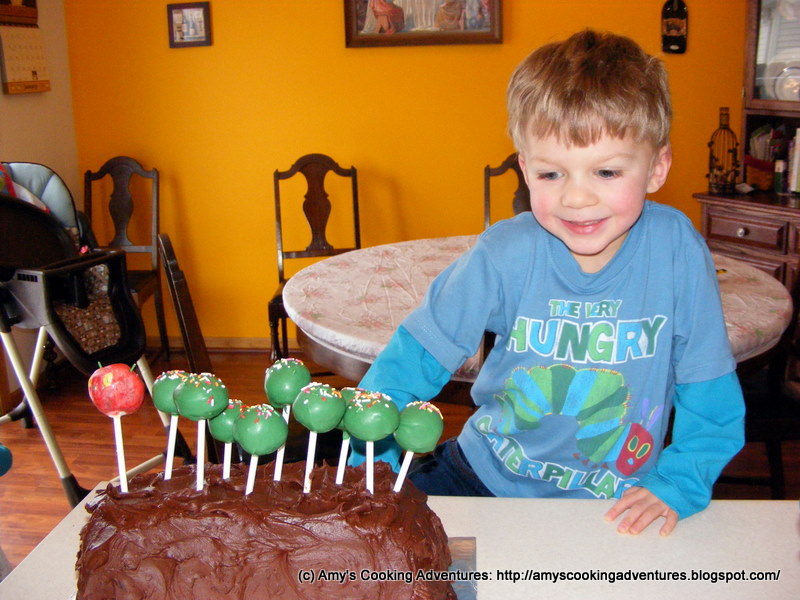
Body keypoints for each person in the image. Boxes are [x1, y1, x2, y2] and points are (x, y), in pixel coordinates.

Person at [349, 29, 744, 536]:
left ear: (656, 167)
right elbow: (416, 355)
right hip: (482, 475)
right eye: (552, 175)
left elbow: (707, 387)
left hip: (619, 501)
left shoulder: (678, 252)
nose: (576, 199)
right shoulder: (502, 252)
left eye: (605, 172)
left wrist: (680, 482)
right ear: (525, 169)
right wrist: (369, 452)